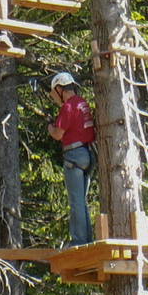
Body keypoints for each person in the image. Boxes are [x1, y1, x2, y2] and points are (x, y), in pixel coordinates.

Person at [47, 72, 96, 247]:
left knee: (76, 201)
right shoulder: (83, 104)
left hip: (74, 155)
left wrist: (50, 127)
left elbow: (58, 134)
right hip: (87, 153)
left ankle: (79, 241)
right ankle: (88, 239)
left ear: (60, 89)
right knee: (81, 201)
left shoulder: (68, 107)